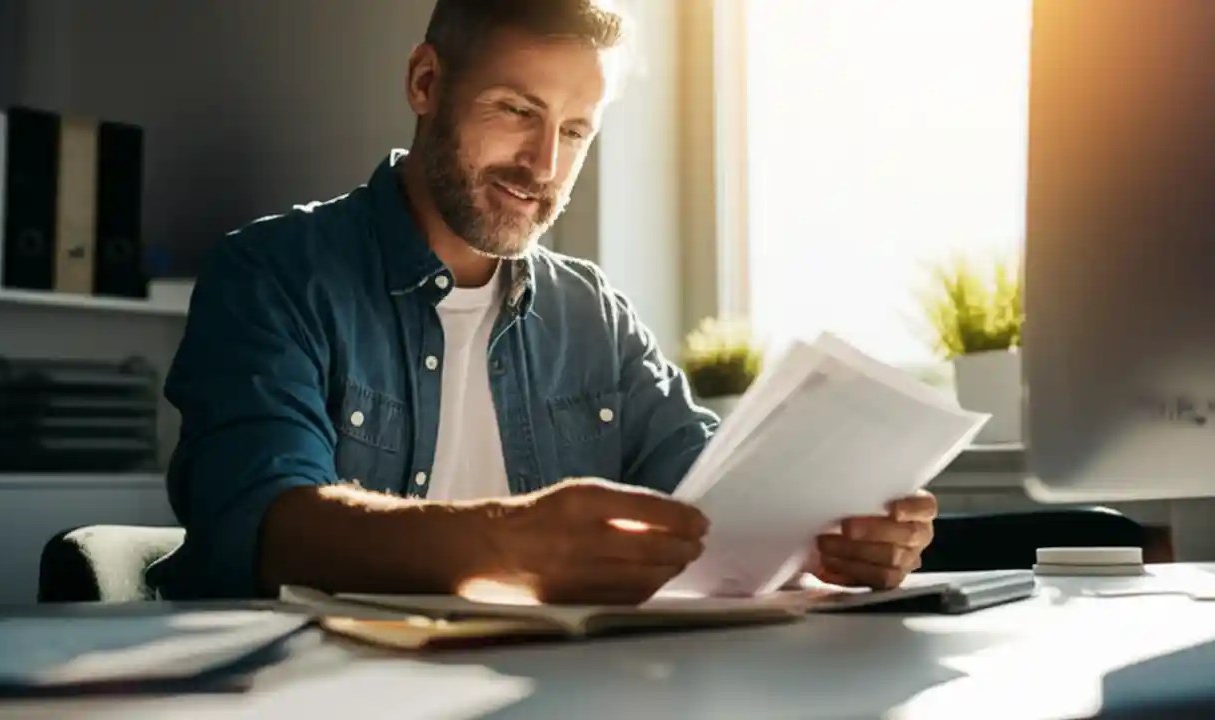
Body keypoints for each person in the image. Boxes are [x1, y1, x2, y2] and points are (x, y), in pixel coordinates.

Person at [150, 0, 937, 602]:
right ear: (426, 83)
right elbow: (258, 525)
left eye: (575, 131)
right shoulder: (271, 274)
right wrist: (502, 541)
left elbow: (712, 502)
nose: (543, 163)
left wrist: (832, 541)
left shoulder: (595, 316)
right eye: (517, 112)